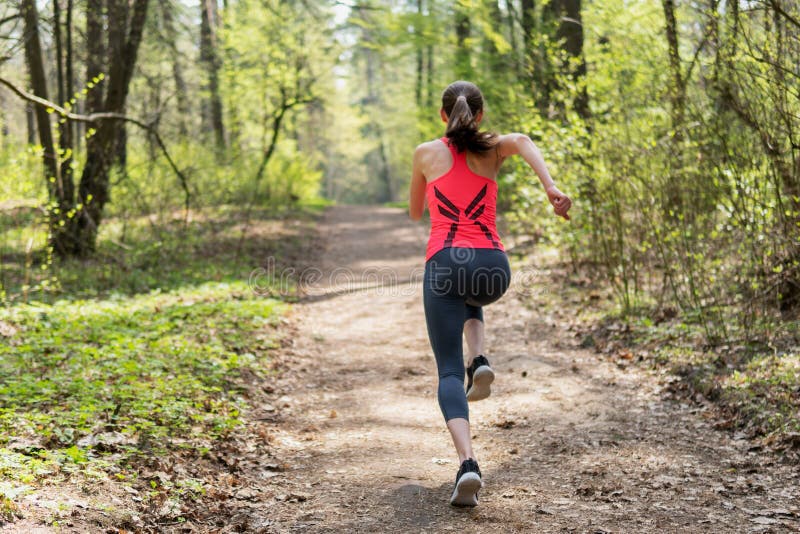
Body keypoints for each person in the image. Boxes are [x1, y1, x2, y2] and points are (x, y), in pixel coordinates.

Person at [408, 80, 572, 507]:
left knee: (447, 372)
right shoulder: (494, 147)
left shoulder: (426, 153)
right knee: (472, 291)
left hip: (445, 263)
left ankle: (467, 463)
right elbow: (522, 140)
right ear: (479, 114)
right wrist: (550, 187)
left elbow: (414, 212)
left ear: (444, 115)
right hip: (494, 269)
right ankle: (479, 358)